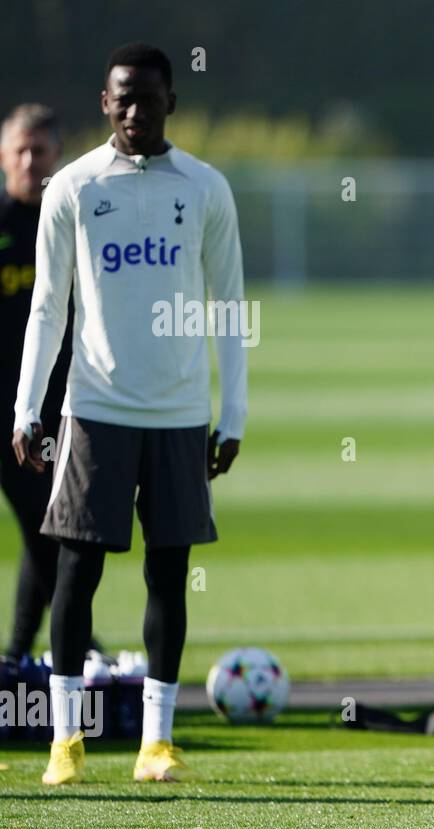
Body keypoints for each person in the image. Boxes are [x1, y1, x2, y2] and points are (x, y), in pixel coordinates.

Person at [12, 42, 248, 784]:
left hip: (179, 415)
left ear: (171, 102)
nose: (138, 111)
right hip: (96, 409)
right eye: (125, 98)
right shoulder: (74, 187)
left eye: (151, 98)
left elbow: (230, 308)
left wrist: (231, 414)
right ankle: (65, 741)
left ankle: (156, 741)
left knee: (168, 575)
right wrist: (27, 408)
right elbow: (47, 307)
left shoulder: (205, 188)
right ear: (105, 104)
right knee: (74, 573)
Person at [0, 104, 73, 667]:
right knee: (45, 530)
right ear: (4, 156)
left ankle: (20, 657)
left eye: (40, 151)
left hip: (57, 409)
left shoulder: (70, 223)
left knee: (45, 529)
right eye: (20, 150)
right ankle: (79, 644)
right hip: (8, 409)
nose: (30, 161)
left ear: (57, 157)